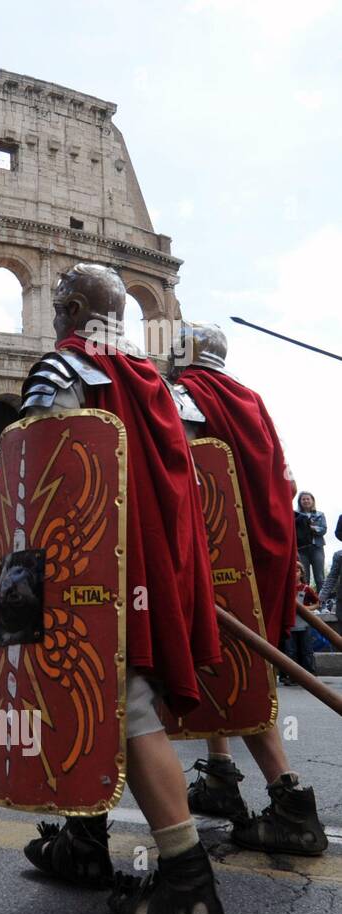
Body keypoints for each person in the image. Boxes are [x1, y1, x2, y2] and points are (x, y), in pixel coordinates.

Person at [17, 262, 224, 914]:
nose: (54, 319)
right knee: (98, 696)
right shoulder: (155, 383)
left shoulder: (63, 371)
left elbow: (42, 485)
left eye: (58, 307)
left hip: (87, 570)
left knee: (119, 700)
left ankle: (188, 879)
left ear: (72, 310)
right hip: (143, 567)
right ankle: (84, 841)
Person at [170, 322, 327, 856]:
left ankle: (290, 803)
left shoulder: (186, 395)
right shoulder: (250, 399)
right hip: (260, 550)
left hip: (218, 558)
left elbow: (186, 478)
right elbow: (282, 481)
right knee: (226, 664)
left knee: (235, 666)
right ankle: (219, 772)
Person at [282, 562, 319, 680]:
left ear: (302, 573)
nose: (294, 574)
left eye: (297, 571)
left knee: (306, 650)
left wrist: (305, 609)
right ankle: (292, 676)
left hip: (304, 625)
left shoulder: (306, 589)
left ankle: (309, 675)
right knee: (290, 651)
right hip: (290, 625)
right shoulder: (285, 589)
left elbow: (317, 603)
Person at [295, 493, 327, 592]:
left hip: (317, 547)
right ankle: (305, 603)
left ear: (312, 501)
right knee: (304, 577)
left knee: (320, 577)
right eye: (303, 499)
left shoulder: (320, 514)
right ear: (300, 502)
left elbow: (323, 530)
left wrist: (311, 527)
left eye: (308, 499)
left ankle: (322, 604)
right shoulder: (295, 515)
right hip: (301, 549)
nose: (306, 501)